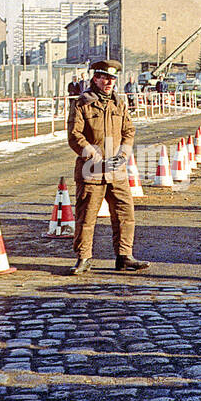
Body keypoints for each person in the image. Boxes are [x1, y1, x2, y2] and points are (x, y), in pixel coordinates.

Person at [67, 59, 148, 274]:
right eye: (105, 78)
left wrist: (123, 154)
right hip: (91, 170)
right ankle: (84, 258)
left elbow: (129, 131)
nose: (109, 82)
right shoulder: (82, 103)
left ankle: (124, 256)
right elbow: (74, 136)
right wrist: (94, 156)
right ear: (95, 78)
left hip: (117, 170)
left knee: (124, 213)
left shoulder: (119, 103)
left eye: (112, 78)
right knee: (87, 216)